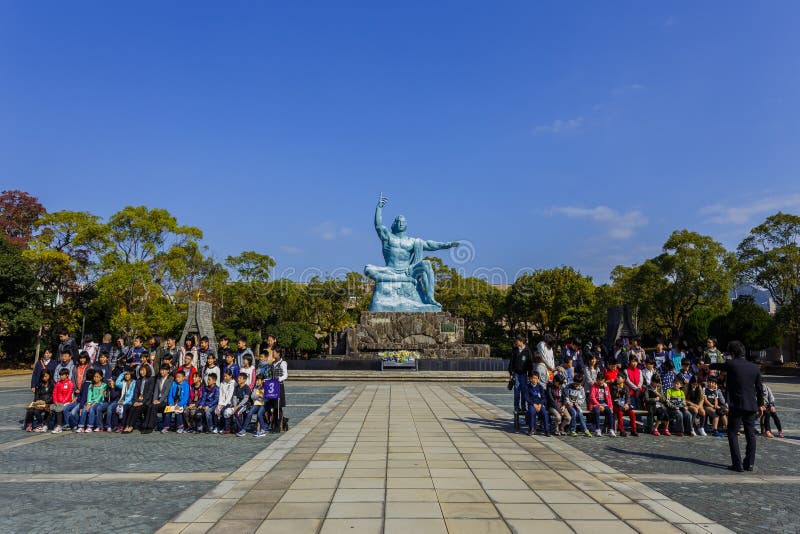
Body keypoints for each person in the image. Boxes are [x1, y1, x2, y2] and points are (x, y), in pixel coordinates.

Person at [124, 365, 155, 433]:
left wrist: (142, 402)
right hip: (138, 400)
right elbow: (136, 392)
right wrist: (135, 401)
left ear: (147, 370)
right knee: (132, 407)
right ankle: (127, 425)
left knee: (137, 409)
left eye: (143, 370)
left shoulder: (151, 379)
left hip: (146, 402)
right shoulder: (138, 380)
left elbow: (149, 393)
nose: (141, 372)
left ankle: (131, 426)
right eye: (141, 370)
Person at [508, 334, 533, 415]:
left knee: (523, 390)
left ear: (521, 341)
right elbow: (511, 361)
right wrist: (511, 373)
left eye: (517, 340)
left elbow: (530, 363)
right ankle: (516, 406)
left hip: (524, 374)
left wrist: (530, 375)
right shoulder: (515, 350)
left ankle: (523, 406)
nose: (516, 342)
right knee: (516, 390)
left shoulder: (527, 350)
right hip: (516, 373)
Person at [146, 363, 174, 431]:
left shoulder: (171, 379)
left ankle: (151, 426)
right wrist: (155, 399)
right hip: (158, 399)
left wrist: (159, 401)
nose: (162, 371)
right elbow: (156, 390)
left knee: (155, 406)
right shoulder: (159, 378)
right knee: (150, 405)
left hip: (166, 400)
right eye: (161, 370)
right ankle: (147, 424)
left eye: (164, 370)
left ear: (168, 371)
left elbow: (166, 392)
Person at [523, 372, 549, 437]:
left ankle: (546, 430)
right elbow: (527, 398)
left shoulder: (540, 387)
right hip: (532, 405)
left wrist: (540, 404)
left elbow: (543, 397)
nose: (534, 380)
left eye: (536, 378)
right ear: (530, 379)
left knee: (545, 413)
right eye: (533, 378)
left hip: (539, 405)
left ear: (538, 379)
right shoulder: (527, 387)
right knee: (531, 412)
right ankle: (531, 429)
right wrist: (533, 404)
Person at [51, 368, 75, 433]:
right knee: (52, 408)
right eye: (60, 375)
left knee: (59, 408)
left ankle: (59, 426)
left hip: (67, 402)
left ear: (67, 375)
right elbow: (54, 393)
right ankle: (49, 424)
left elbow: (69, 394)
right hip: (57, 402)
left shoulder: (70, 383)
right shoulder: (58, 383)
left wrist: (62, 402)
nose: (61, 376)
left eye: (63, 375)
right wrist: (55, 401)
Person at [271, 346, 289, 432]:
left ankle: (278, 425)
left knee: (278, 406)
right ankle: (282, 421)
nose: (272, 353)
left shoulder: (283, 363)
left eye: (274, 352)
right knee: (274, 406)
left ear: (278, 353)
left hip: (279, 386)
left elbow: (285, 375)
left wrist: (279, 379)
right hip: (273, 386)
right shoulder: (273, 363)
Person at [215, 369, 236, 434]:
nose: (225, 378)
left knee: (224, 411)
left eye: (226, 376)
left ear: (230, 376)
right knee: (216, 410)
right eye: (224, 376)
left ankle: (226, 428)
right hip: (222, 402)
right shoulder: (222, 383)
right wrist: (219, 404)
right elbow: (221, 394)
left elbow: (230, 396)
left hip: (230, 403)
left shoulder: (233, 383)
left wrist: (223, 404)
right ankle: (218, 426)